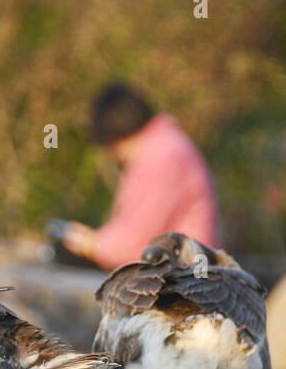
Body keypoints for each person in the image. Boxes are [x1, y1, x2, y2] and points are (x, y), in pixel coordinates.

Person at [59, 83, 219, 270]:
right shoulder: (166, 144)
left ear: (114, 137)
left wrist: (91, 245)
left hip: (184, 282)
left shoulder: (161, 155)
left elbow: (136, 241)